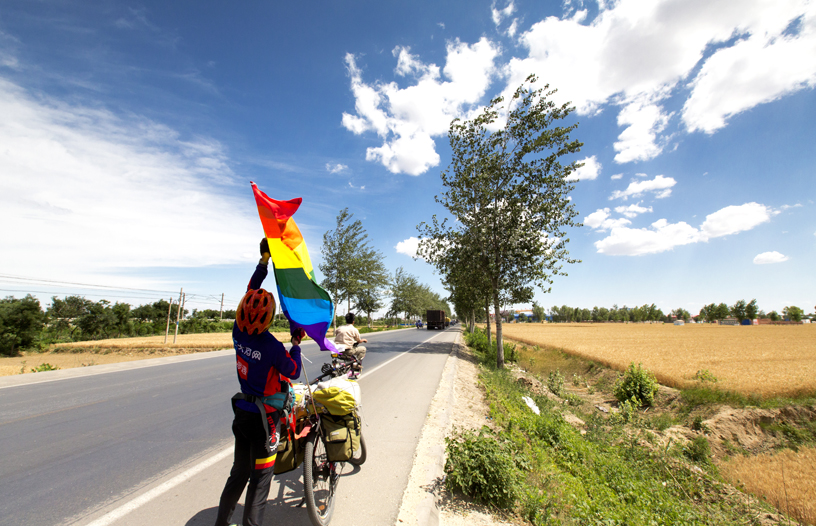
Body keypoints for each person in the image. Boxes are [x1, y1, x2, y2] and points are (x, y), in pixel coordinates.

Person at [214, 239, 304, 526]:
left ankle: (221, 523)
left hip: (242, 414)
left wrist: (264, 261)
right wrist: (296, 345)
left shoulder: (237, 332)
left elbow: (250, 291)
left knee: (238, 473)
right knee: (260, 479)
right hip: (265, 421)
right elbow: (293, 371)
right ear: (269, 319)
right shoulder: (273, 347)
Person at [334, 312, 367, 376]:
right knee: (363, 349)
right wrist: (363, 340)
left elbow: (337, 335)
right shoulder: (354, 329)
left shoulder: (339, 328)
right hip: (348, 351)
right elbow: (358, 340)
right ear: (353, 322)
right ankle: (356, 364)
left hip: (338, 350)